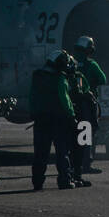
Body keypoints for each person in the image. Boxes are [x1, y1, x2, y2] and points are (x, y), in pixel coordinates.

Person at [29, 51, 79, 190]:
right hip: (58, 120)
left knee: (40, 152)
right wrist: (71, 116)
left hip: (40, 119)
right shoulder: (60, 78)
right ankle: (64, 180)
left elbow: (32, 96)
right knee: (62, 152)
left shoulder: (37, 76)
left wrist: (34, 113)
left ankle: (37, 182)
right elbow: (65, 99)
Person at [71, 36, 105, 175]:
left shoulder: (69, 63)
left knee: (74, 135)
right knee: (87, 134)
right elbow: (103, 79)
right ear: (89, 50)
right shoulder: (91, 65)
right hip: (87, 104)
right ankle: (86, 164)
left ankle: (74, 164)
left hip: (72, 104)